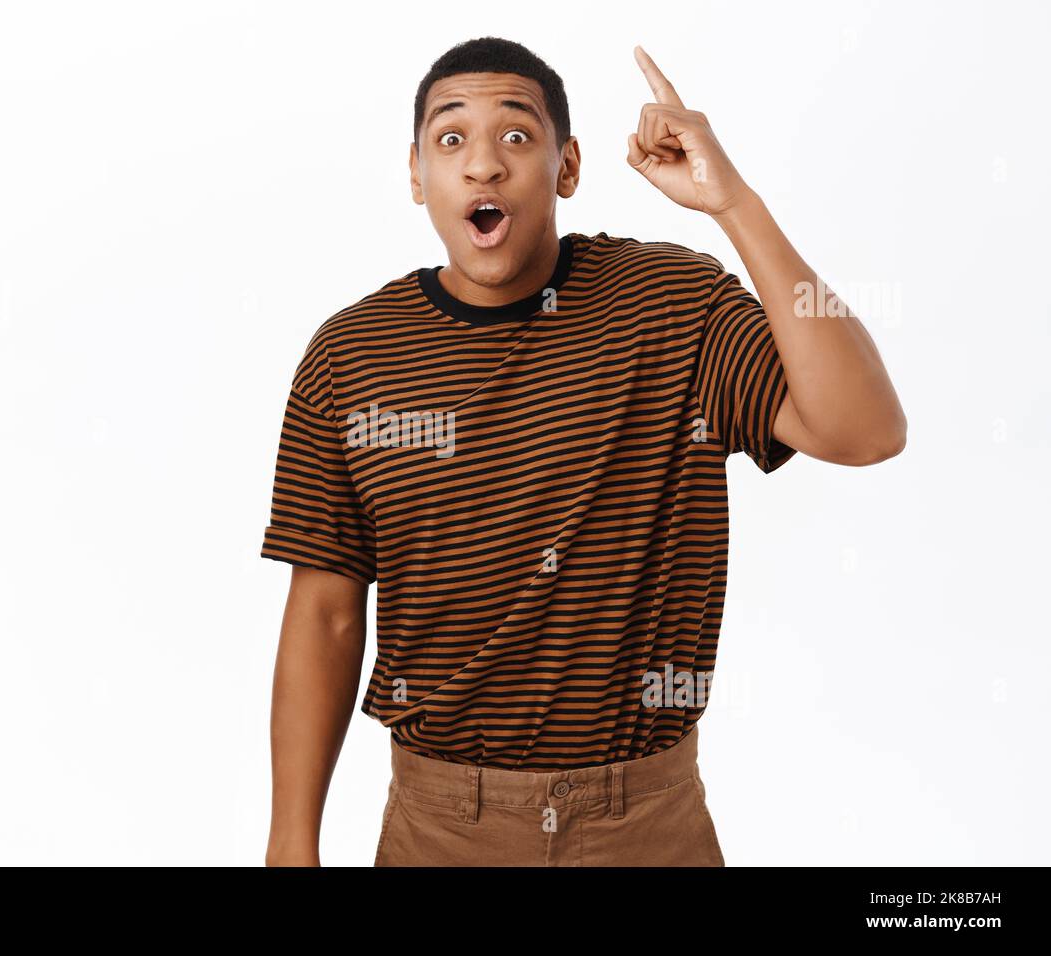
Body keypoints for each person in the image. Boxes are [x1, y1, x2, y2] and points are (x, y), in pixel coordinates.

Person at [260, 37, 906, 867]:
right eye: (450, 139)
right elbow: (325, 611)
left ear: (568, 167)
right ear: (416, 175)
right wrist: (289, 842)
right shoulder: (353, 356)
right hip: (440, 830)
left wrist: (733, 203)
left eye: (517, 137)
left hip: (648, 827)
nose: (483, 166)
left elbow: (865, 429)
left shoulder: (673, 307)